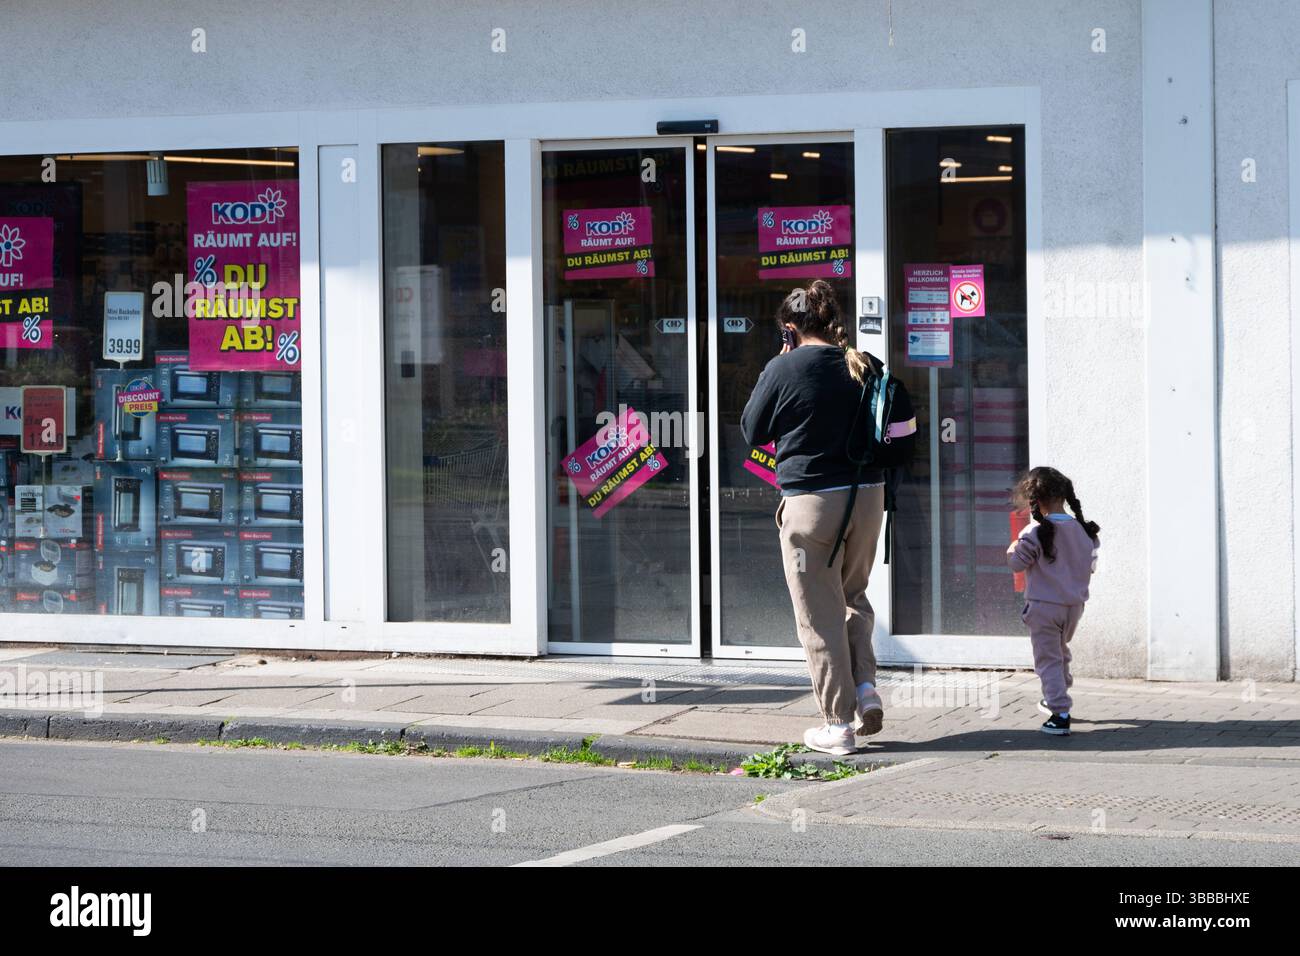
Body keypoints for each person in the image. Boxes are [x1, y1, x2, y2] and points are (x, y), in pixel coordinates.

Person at [741, 280, 899, 756]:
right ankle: (865, 688)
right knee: (853, 596)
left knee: (818, 616)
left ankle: (838, 725)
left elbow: (752, 429)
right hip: (869, 498)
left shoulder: (783, 366)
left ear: (789, 329)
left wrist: (781, 364)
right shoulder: (865, 364)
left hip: (813, 503)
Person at [1006, 466, 1101, 736]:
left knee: (1047, 659)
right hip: (1074, 607)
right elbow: (1090, 566)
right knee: (1059, 651)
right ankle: (1058, 689)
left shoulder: (1033, 533)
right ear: (1064, 495)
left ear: (1033, 500)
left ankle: (1059, 713)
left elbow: (1017, 564)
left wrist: (1012, 547)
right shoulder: (1083, 531)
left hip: (1043, 607)